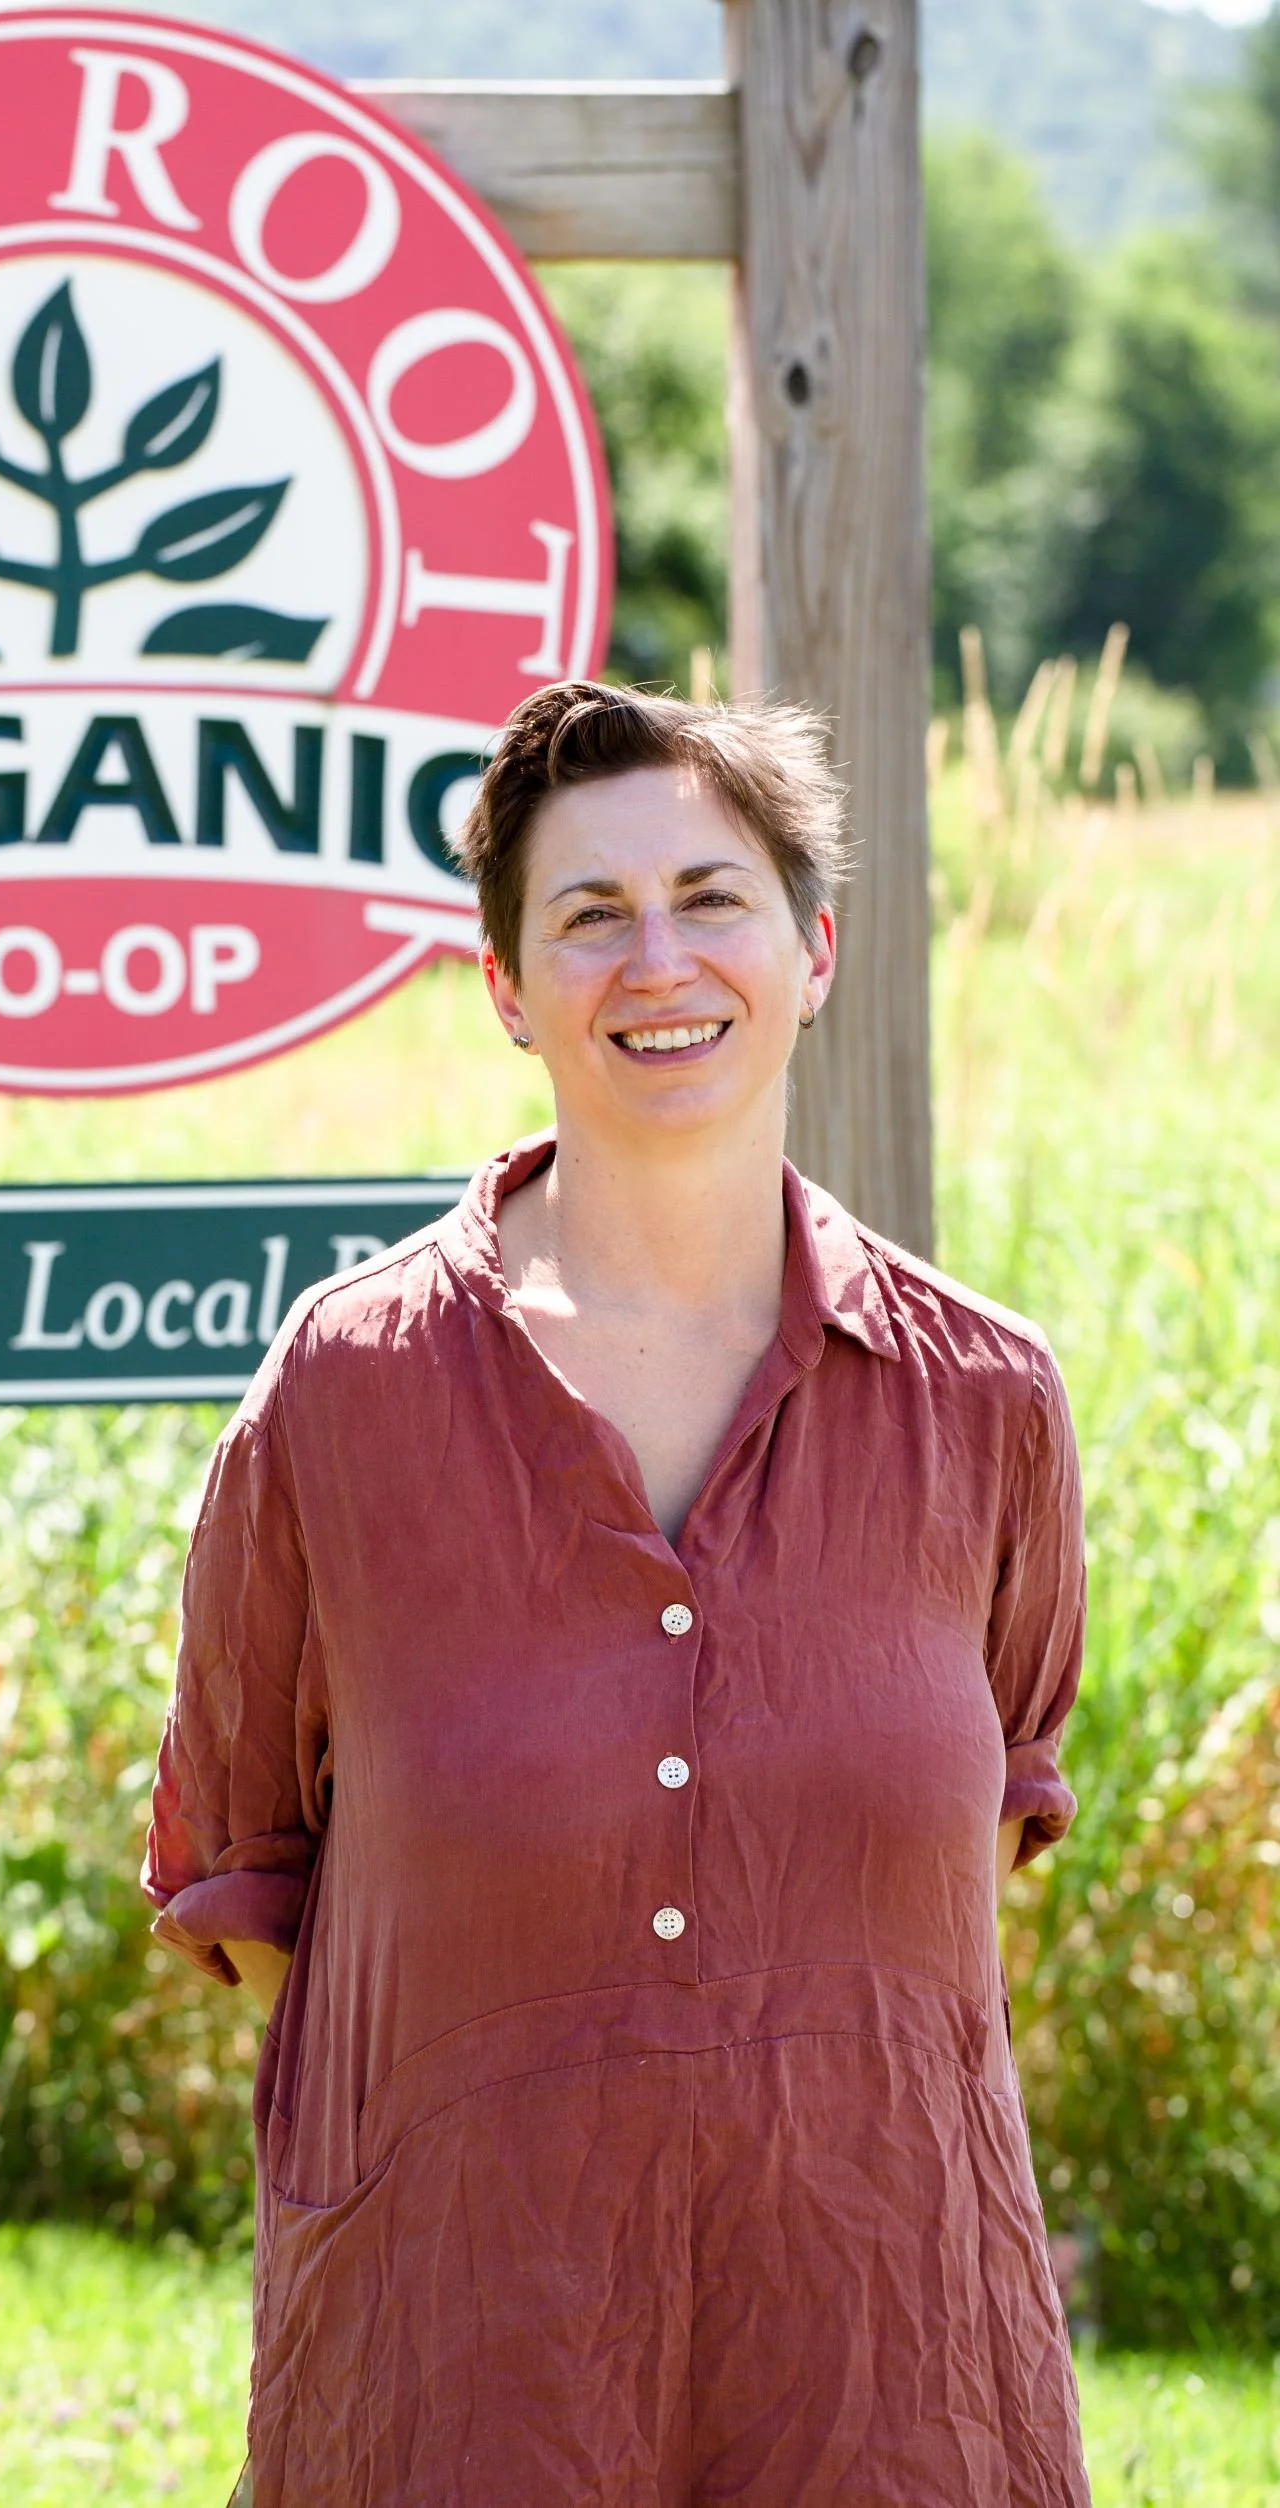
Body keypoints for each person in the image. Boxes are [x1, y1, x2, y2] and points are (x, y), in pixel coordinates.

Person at [144, 680, 1090, 2507]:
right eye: (590, 915)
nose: (660, 961)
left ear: (813, 951)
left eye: (712, 898)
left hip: (886, 2386)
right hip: (465, 2381)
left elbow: (963, 1870)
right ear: (509, 989)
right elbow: (250, 1877)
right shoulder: (346, 1392)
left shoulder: (984, 1402)